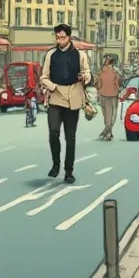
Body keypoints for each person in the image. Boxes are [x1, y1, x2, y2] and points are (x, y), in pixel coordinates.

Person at [41, 24, 93, 184]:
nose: (60, 40)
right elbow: (44, 77)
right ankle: (56, 164)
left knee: (70, 137)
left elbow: (87, 73)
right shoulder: (51, 54)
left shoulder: (80, 55)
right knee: (53, 132)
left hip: (73, 97)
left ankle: (68, 171)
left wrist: (85, 77)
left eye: (62, 37)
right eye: (57, 37)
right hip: (56, 96)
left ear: (69, 37)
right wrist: (52, 86)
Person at [96, 57, 121, 141]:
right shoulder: (115, 73)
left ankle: (107, 131)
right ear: (112, 64)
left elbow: (98, 85)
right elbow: (118, 83)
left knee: (106, 113)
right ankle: (108, 131)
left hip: (102, 94)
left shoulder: (100, 73)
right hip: (113, 95)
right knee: (112, 113)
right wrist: (118, 90)